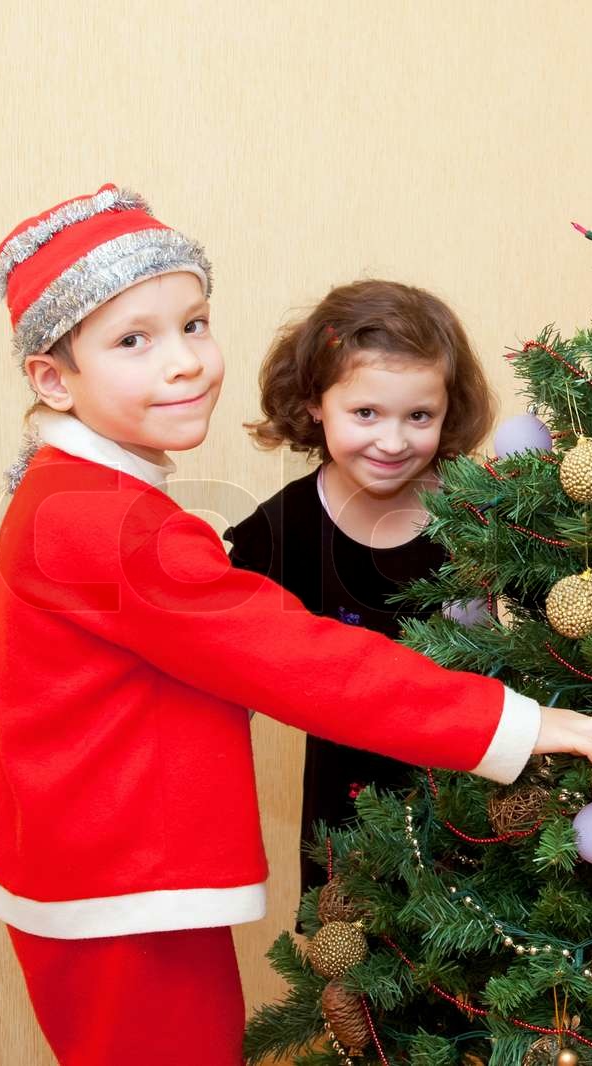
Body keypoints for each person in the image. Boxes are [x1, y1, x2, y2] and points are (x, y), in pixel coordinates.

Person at [0, 185, 592, 1065]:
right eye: (132, 341)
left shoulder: (79, 492)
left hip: (98, 858)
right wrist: (517, 723)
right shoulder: (102, 520)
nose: (186, 362)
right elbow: (297, 656)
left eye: (194, 323)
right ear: (53, 379)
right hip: (118, 875)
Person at [224, 279, 494, 904]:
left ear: (449, 409)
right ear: (316, 402)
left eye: (419, 416)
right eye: (365, 413)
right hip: (346, 829)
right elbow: (229, 669)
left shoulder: (484, 515)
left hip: (481, 813)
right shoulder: (278, 532)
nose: (393, 441)